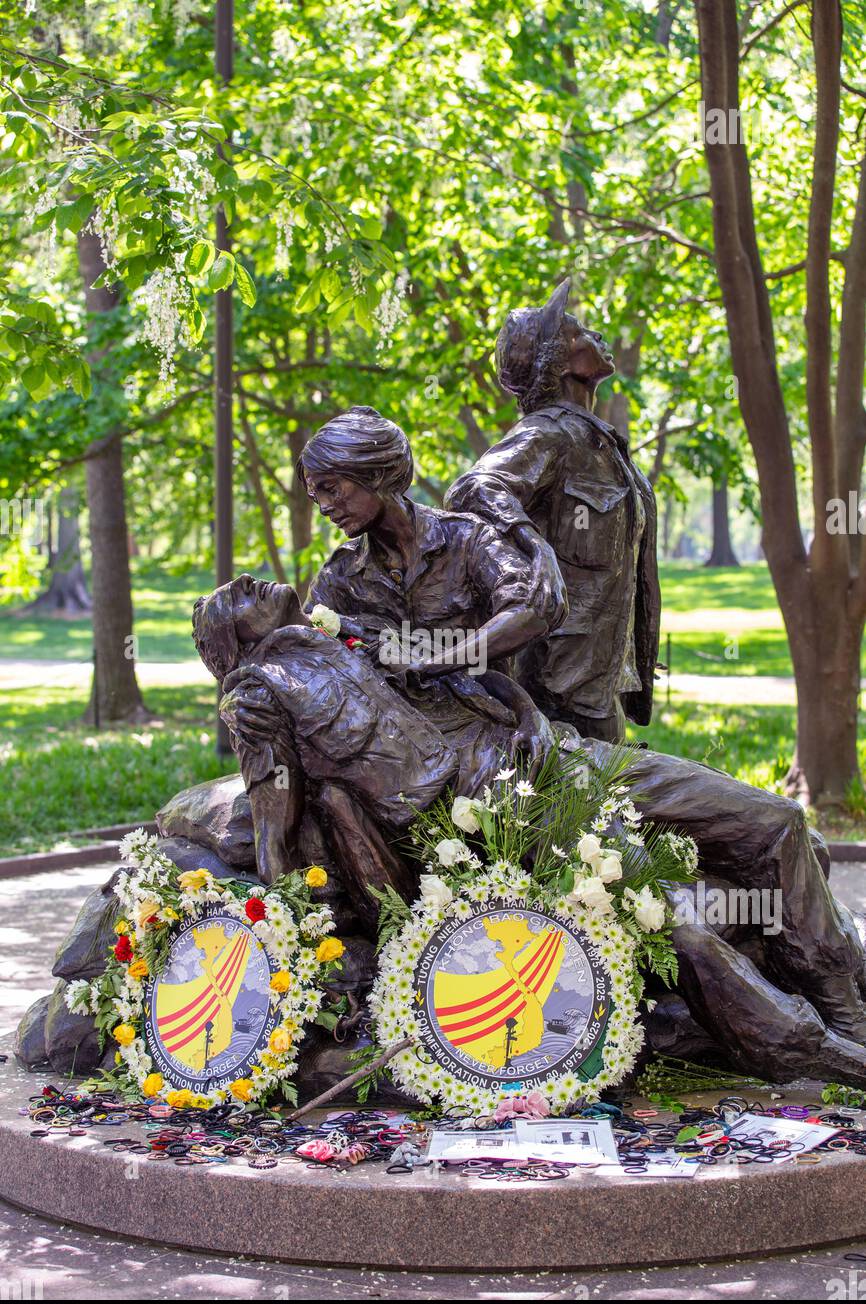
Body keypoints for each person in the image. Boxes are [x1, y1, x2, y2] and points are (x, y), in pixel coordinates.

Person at [193, 405, 866, 1080]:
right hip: (485, 800)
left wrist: (460, 661)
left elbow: (535, 606)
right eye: (314, 491)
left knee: (776, 822)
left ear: (379, 473)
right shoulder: (338, 584)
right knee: (678, 922)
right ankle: (816, 1032)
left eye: (333, 487)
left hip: (543, 748)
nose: (323, 505)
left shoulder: (465, 539)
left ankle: (843, 1004)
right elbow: (338, 711)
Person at [445, 278, 659, 742]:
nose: (596, 337)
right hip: (560, 684)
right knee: (581, 808)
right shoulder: (548, 435)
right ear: (556, 360)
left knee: (601, 809)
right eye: (579, 332)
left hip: (606, 679)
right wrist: (532, 542)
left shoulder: (601, 444)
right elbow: (472, 489)